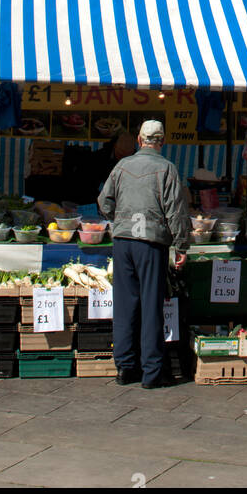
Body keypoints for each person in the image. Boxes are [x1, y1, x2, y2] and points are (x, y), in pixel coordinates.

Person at [98, 120, 190, 389]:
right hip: (151, 243)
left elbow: (104, 201)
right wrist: (182, 247)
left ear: (139, 140)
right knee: (152, 306)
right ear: (161, 142)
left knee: (125, 305)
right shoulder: (167, 169)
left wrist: (120, 220)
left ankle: (125, 368)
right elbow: (176, 213)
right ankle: (151, 373)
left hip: (123, 242)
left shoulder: (122, 166)